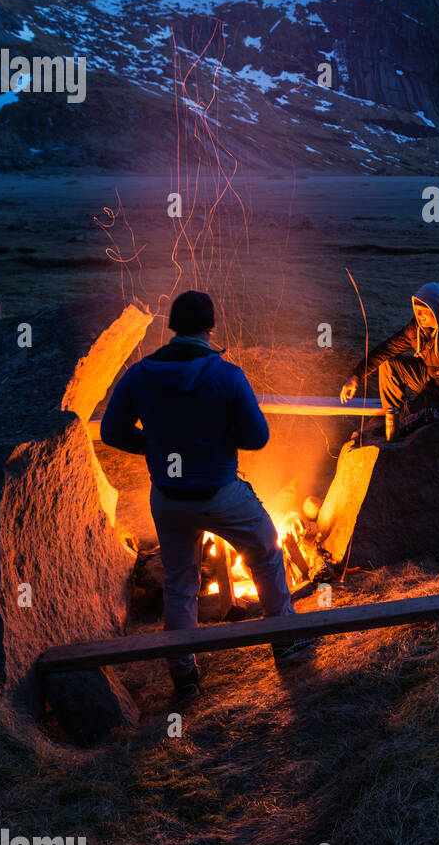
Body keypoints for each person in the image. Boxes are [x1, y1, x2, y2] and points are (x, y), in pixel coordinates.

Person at [101, 290, 316, 700]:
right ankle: (286, 640)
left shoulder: (139, 374)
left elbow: (111, 431)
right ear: (209, 328)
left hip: (168, 498)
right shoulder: (227, 375)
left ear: (172, 327)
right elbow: (257, 437)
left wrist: (157, 445)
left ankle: (184, 674)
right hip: (221, 494)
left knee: (181, 583)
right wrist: (216, 442)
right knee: (268, 554)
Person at [339, 282, 439, 441]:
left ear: (437, 309)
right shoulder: (416, 329)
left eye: (423, 311)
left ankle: (402, 427)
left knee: (420, 419)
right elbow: (387, 348)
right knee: (389, 364)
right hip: (431, 379)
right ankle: (393, 418)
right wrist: (356, 376)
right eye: (416, 311)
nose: (419, 316)